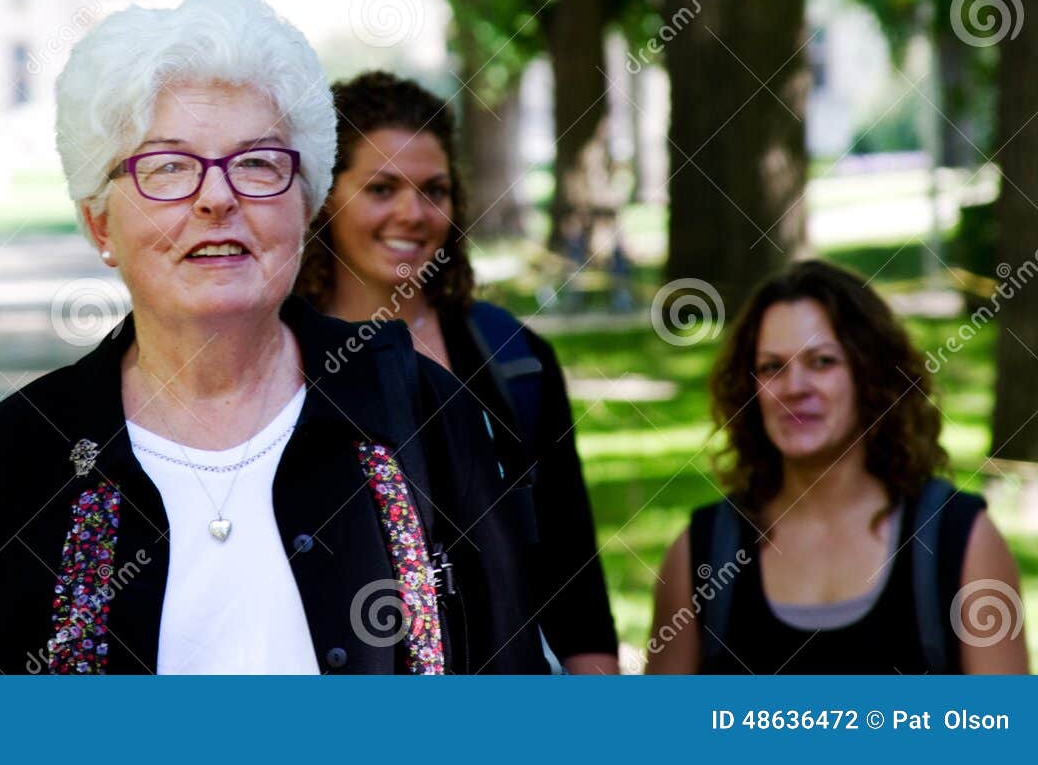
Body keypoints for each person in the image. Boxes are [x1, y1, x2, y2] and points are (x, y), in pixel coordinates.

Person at [0, 0, 548, 675]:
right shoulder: (13, 459)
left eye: (256, 163)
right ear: (101, 224)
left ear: (305, 205)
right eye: (167, 167)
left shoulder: (423, 411)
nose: (217, 197)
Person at [294, 71, 620, 674]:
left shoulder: (515, 359)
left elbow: (573, 581)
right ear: (324, 198)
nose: (412, 214)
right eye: (382, 188)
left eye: (434, 190)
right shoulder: (277, 360)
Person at [647, 259, 1029, 674]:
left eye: (822, 361)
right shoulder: (703, 553)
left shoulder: (960, 541)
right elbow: (664, 735)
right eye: (772, 367)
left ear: (871, 374)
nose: (794, 388)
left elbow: (1005, 733)